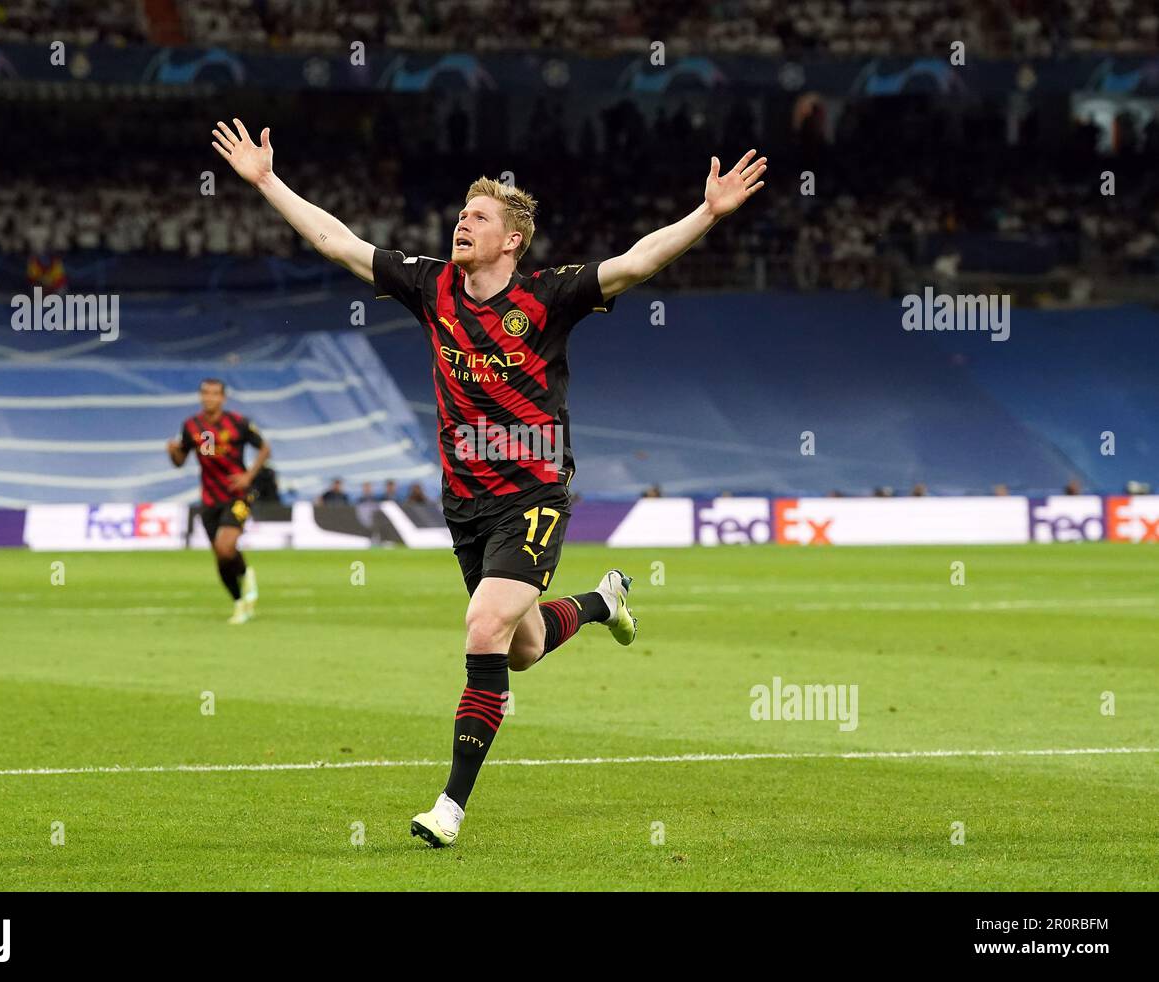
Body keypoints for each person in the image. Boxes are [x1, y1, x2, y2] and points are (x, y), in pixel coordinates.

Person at [211, 116, 766, 846]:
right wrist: (267, 182)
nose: (460, 225)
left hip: (534, 495)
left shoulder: (549, 296)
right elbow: (335, 241)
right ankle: (603, 602)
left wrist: (707, 213)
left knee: (481, 627)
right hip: (464, 504)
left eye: (477, 217)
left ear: (511, 240)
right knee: (522, 646)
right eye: (460, 215)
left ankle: (450, 807)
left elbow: (635, 264)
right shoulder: (430, 286)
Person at [167, 378, 270, 625]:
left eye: (214, 393)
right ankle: (238, 601)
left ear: (223, 398)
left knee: (225, 547)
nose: (209, 397)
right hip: (209, 498)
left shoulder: (238, 423)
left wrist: (249, 475)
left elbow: (264, 448)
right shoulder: (192, 426)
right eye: (205, 393)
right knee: (222, 556)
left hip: (238, 495)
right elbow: (180, 461)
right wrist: (172, 451)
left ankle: (244, 582)